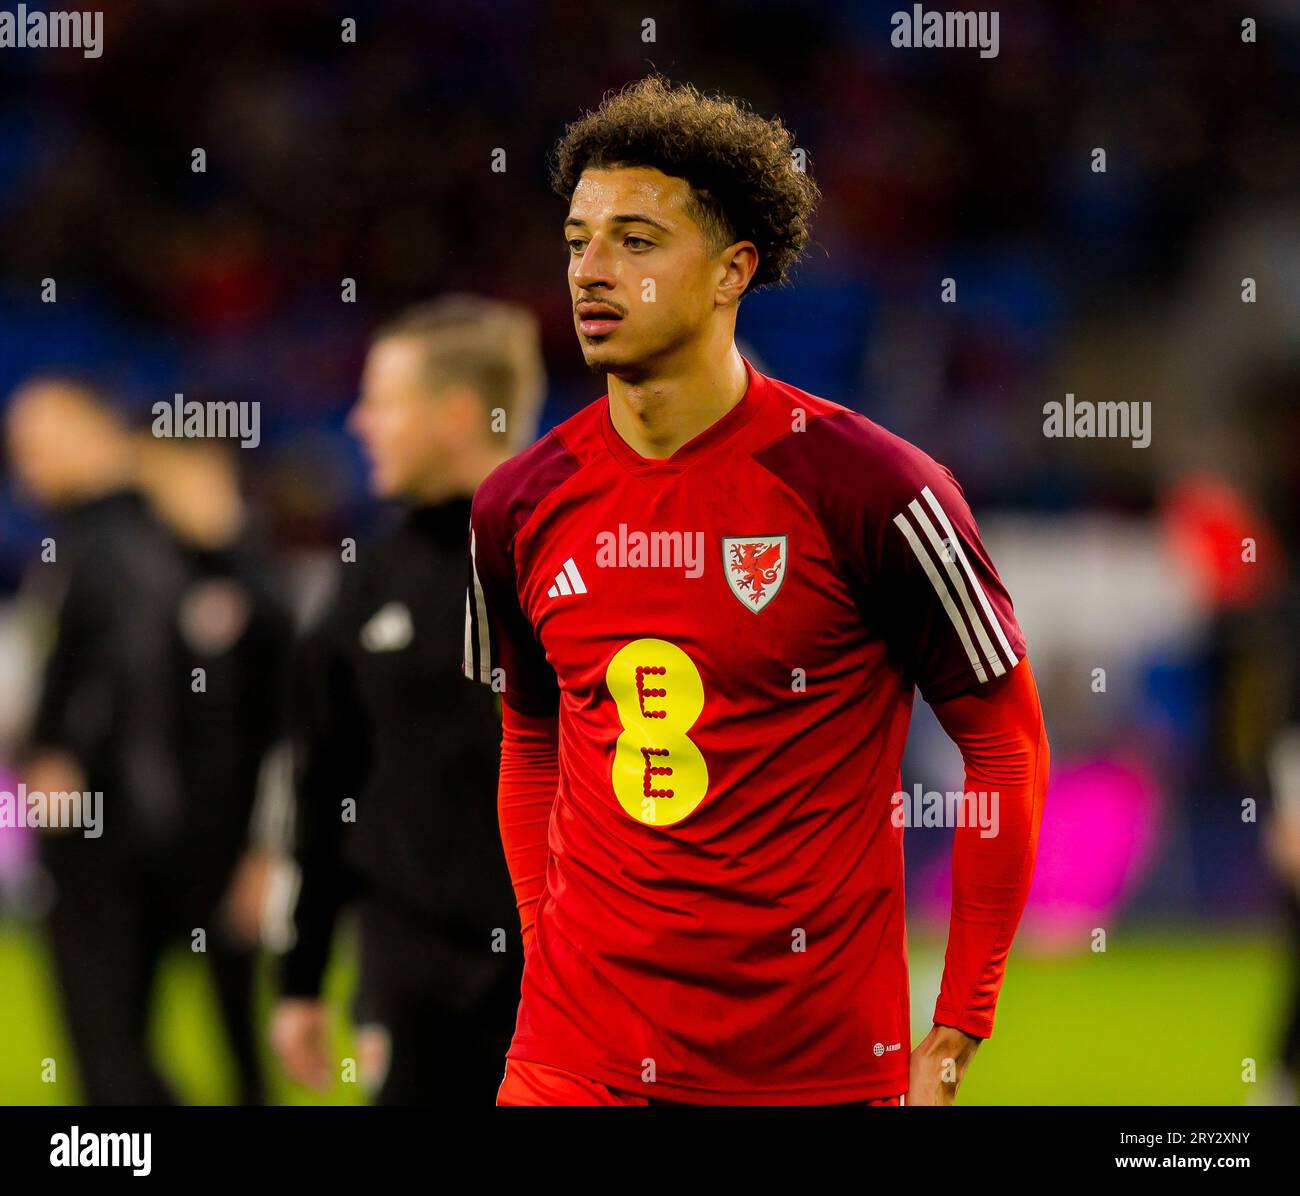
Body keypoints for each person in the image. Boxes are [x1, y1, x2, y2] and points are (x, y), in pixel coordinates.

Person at [464, 76, 1050, 1106]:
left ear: (733, 271)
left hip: (810, 1070)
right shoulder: (517, 504)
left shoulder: (875, 489)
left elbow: (1005, 742)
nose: (591, 270)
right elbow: (530, 739)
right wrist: (547, 939)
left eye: (636, 242)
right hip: (574, 1059)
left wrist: (960, 1020)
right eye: (577, 241)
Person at [270, 296, 544, 1104]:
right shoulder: (366, 583)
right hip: (410, 985)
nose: (359, 424)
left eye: (382, 402)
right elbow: (325, 784)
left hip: (564, 978)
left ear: (455, 415)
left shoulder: (569, 563)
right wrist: (302, 976)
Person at [5, 376, 191, 1104]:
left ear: (95, 431)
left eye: (37, 442)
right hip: (135, 810)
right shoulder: (120, 534)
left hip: (104, 819)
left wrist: (66, 755)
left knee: (106, 1040)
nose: (24, 462)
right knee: (118, 1041)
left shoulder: (114, 541)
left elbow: (127, 662)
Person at [134, 432, 293, 1106]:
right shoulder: (149, 579)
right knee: (127, 1018)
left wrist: (266, 850)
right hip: (155, 836)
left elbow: (287, 732)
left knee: (237, 1014)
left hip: (233, 837)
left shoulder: (259, 590)